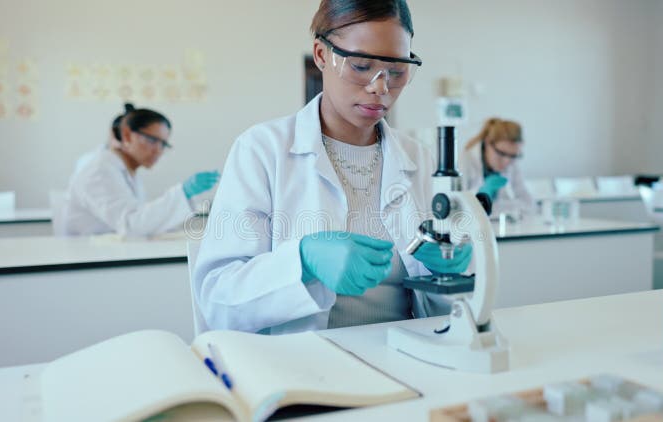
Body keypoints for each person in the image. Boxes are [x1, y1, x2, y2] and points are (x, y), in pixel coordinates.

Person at [193, 0, 473, 334]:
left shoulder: (420, 158)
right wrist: (302, 262)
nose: (380, 87)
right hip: (304, 366)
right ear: (322, 55)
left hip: (410, 353)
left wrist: (452, 272)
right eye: (360, 66)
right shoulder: (262, 150)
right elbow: (218, 298)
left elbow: (451, 309)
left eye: (397, 71)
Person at [64, 106, 219, 237]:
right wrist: (183, 192)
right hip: (85, 260)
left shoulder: (125, 171)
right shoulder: (99, 171)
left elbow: (140, 219)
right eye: (152, 140)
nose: (158, 150)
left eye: (163, 144)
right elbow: (130, 225)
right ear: (126, 135)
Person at [459, 118, 534, 215]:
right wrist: (480, 193)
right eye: (501, 153)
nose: (507, 161)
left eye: (513, 156)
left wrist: (490, 206)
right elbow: (459, 208)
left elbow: (529, 204)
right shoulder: (464, 160)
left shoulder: (512, 163)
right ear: (487, 143)